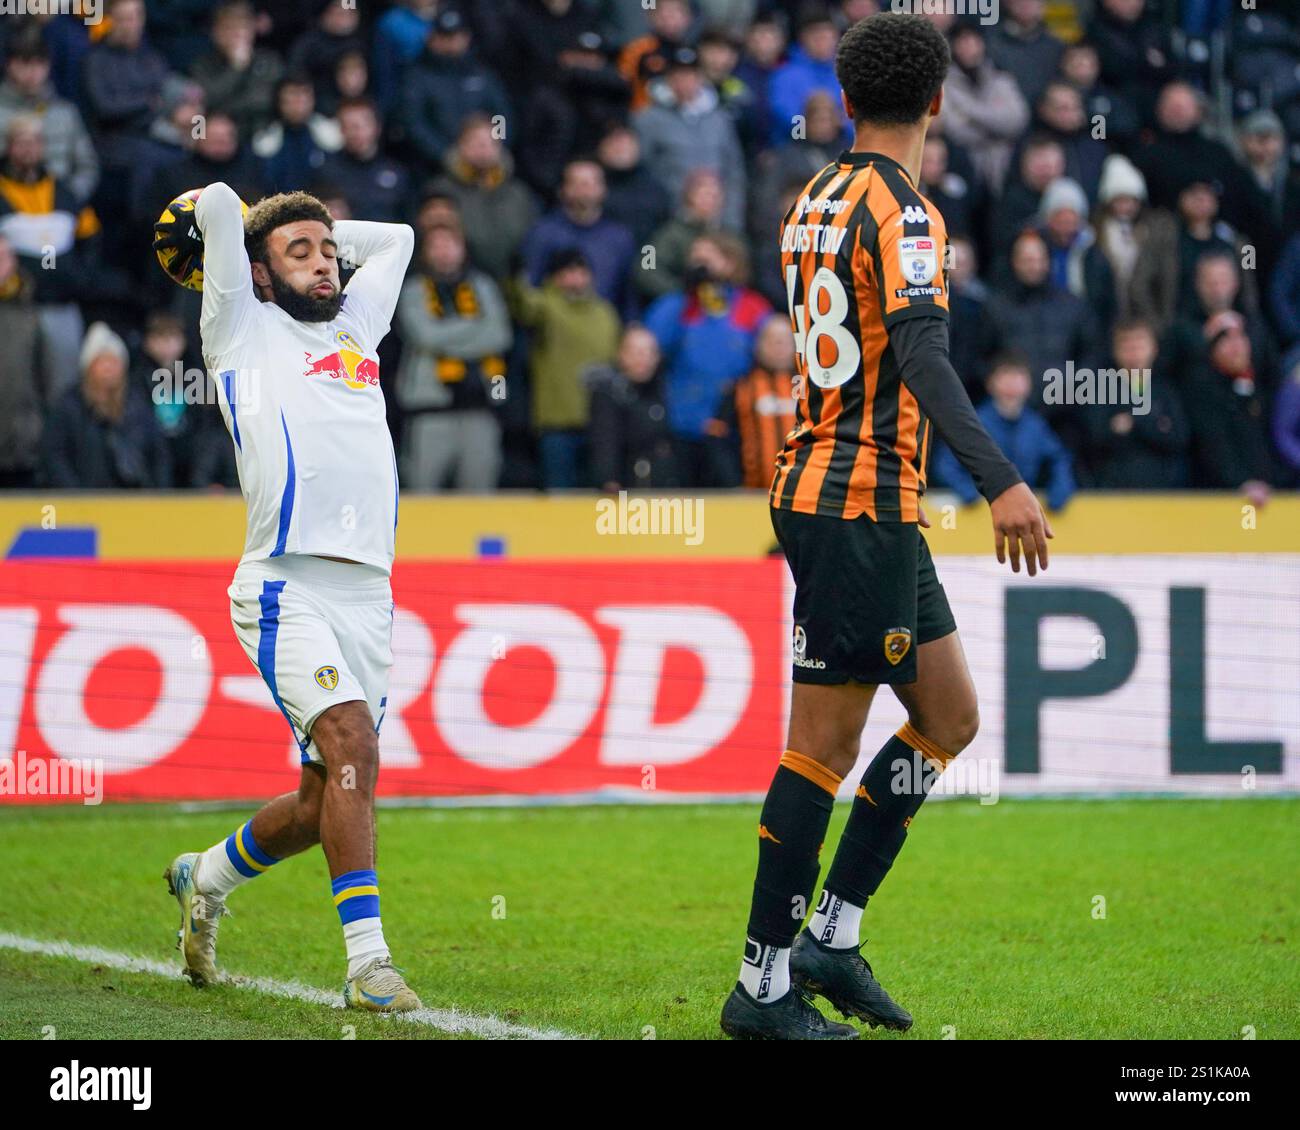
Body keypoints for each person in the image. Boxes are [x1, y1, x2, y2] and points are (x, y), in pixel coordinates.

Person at [721, 12, 1052, 1042]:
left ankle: (830, 930)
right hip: (851, 500)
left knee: (947, 717)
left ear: (848, 99)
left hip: (857, 497)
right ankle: (761, 985)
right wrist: (999, 476)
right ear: (939, 103)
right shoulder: (907, 215)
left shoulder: (811, 197)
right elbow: (918, 351)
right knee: (820, 748)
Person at [156, 179, 422, 1012]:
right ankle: (369, 967)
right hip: (283, 582)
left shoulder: (356, 325)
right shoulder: (241, 329)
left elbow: (403, 236)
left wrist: (311, 229)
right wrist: (235, 219)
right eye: (297, 253)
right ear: (257, 274)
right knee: (354, 749)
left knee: (322, 801)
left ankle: (205, 875)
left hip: (369, 594)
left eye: (328, 252)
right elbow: (227, 203)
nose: (323, 265)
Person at [396, 223, 512, 491]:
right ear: (425, 252)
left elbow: (501, 335)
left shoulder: (483, 285)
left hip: (484, 407)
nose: (444, 252)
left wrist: (446, 337)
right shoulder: (412, 288)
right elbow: (425, 336)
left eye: (451, 244)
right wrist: (474, 326)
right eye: (436, 245)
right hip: (429, 410)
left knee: (481, 496)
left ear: (463, 249)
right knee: (421, 491)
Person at [508, 246, 621, 489]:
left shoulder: (605, 312)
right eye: (567, 272)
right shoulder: (546, 306)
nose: (575, 278)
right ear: (555, 277)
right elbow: (523, 305)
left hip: (600, 424)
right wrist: (517, 277)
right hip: (556, 423)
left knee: (596, 497)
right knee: (559, 497)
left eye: (580, 271)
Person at [932, 353, 1076, 511]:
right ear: (990, 383)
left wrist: (1059, 491)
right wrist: (969, 494)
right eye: (1005, 375)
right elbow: (945, 464)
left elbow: (1059, 459)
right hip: (981, 513)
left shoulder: (1035, 426)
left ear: (1029, 384)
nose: (1012, 383)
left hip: (1023, 511)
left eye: (1018, 376)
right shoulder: (975, 423)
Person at [42, 322, 170, 489]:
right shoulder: (69, 406)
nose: (109, 368)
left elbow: (158, 454)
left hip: (135, 502)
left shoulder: (137, 404)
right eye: (102, 361)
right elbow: (55, 457)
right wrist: (74, 495)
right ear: (89, 367)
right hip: (84, 503)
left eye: (114, 361)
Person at [587, 324, 678, 491]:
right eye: (636, 352)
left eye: (650, 352)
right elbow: (605, 443)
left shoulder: (664, 389)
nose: (643, 358)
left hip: (664, 490)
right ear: (621, 355)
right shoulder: (609, 394)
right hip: (628, 488)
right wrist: (609, 481)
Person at [713, 313, 799, 489]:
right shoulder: (740, 388)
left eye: (784, 339)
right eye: (772, 339)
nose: (779, 345)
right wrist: (733, 484)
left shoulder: (813, 390)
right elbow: (717, 439)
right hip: (751, 496)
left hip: (804, 498)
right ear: (758, 345)